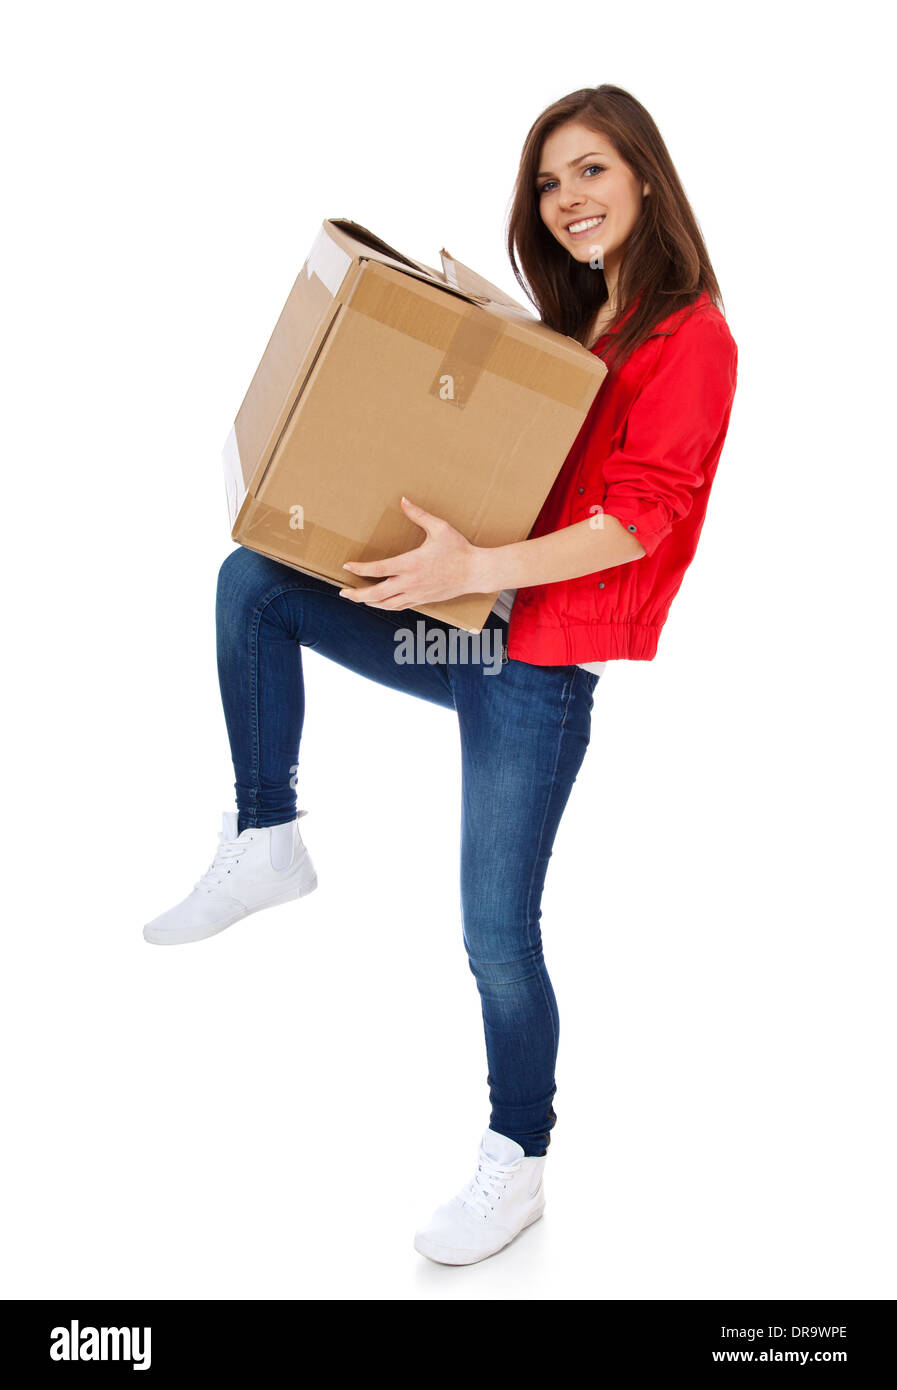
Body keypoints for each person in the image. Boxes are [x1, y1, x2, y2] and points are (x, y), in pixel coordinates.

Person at [142, 83, 738, 1266]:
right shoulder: (585, 329)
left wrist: (478, 564)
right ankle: (270, 835)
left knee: (496, 933)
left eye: (591, 173)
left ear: (648, 180)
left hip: (534, 672)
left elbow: (641, 520)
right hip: (466, 627)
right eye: (550, 180)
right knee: (256, 581)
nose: (566, 199)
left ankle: (517, 1160)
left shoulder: (693, 336)